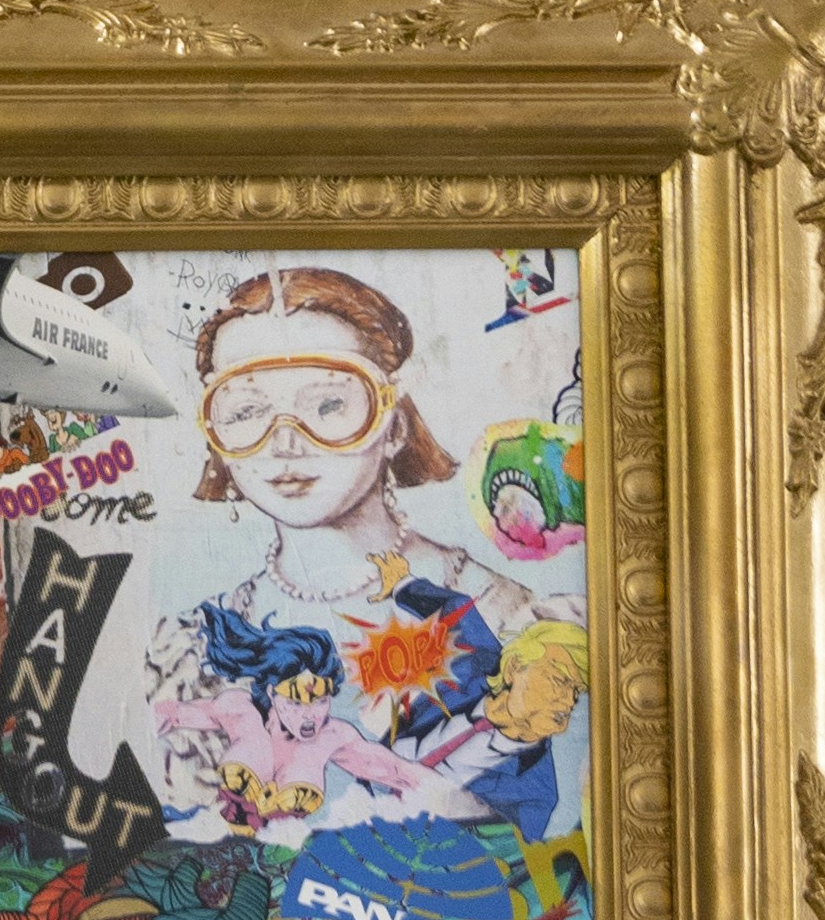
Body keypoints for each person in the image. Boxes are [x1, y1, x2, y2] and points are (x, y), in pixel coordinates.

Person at [180, 263, 587, 858]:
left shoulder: (500, 612)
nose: (285, 440)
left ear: (393, 425)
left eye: (328, 404)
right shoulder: (202, 633)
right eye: (246, 412)